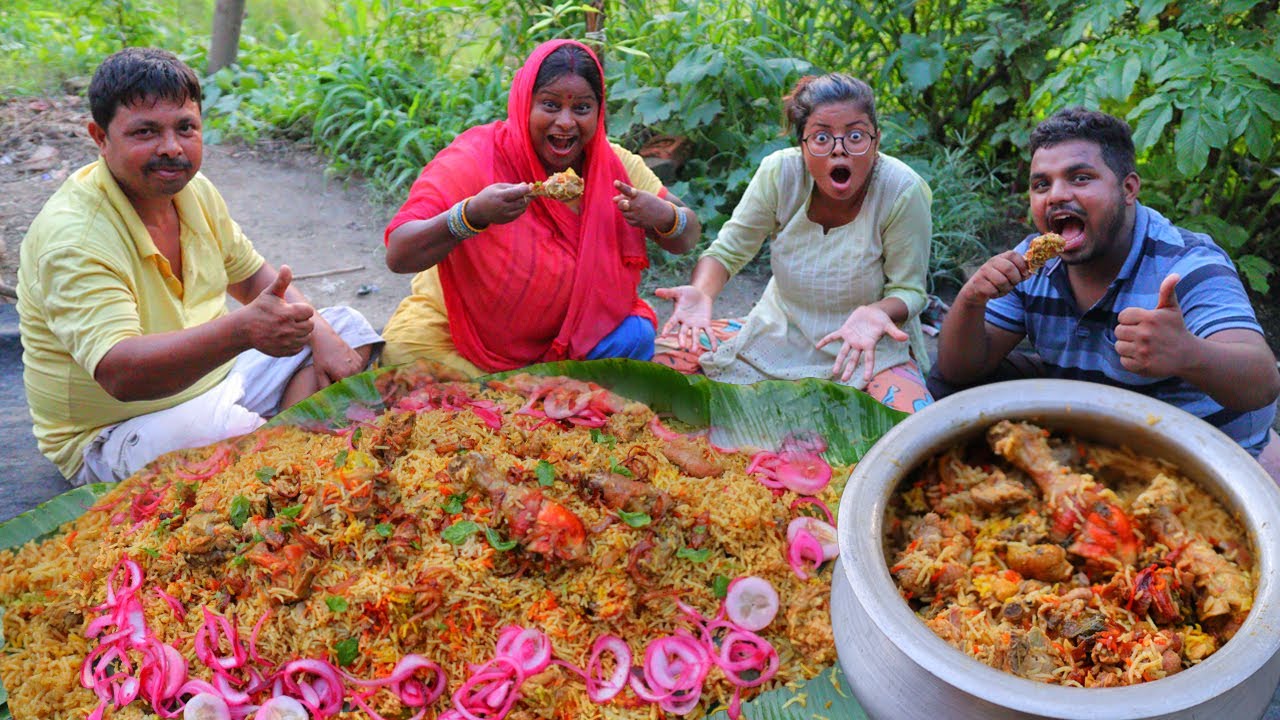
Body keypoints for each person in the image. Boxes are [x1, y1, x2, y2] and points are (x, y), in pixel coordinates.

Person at [16, 47, 382, 485]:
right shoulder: (75, 236)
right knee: (221, 433)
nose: (171, 148)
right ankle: (275, 466)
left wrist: (321, 336)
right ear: (99, 136)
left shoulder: (194, 192)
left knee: (348, 330)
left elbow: (252, 277)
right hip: (119, 428)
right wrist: (243, 330)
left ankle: (273, 462)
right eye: (146, 132)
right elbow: (121, 374)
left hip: (217, 379)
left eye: (185, 128)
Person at [930, 107, 1280, 478]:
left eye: (1080, 178)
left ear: (1128, 189)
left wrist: (1186, 353)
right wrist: (971, 300)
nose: (1056, 196)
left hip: (1197, 453)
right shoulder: (1032, 262)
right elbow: (957, 370)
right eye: (1041, 184)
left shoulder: (1187, 264)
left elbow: (1262, 384)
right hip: (1093, 421)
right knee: (945, 387)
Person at [381, 39, 699, 375]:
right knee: (409, 356)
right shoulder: (476, 160)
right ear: (524, 104)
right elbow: (400, 254)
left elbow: (688, 235)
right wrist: (470, 215)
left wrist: (665, 217)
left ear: (599, 111)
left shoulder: (614, 169)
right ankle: (535, 391)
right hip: (464, 341)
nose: (565, 122)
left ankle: (543, 387)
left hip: (575, 339)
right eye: (550, 105)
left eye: (581, 108)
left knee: (635, 336)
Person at [656, 73, 933, 413]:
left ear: (876, 141)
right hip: (777, 334)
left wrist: (876, 313)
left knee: (914, 425)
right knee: (660, 362)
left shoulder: (902, 191)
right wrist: (702, 293)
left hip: (866, 349)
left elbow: (910, 291)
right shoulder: (780, 174)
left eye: (856, 136)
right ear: (802, 145)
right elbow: (727, 252)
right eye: (821, 138)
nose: (839, 150)